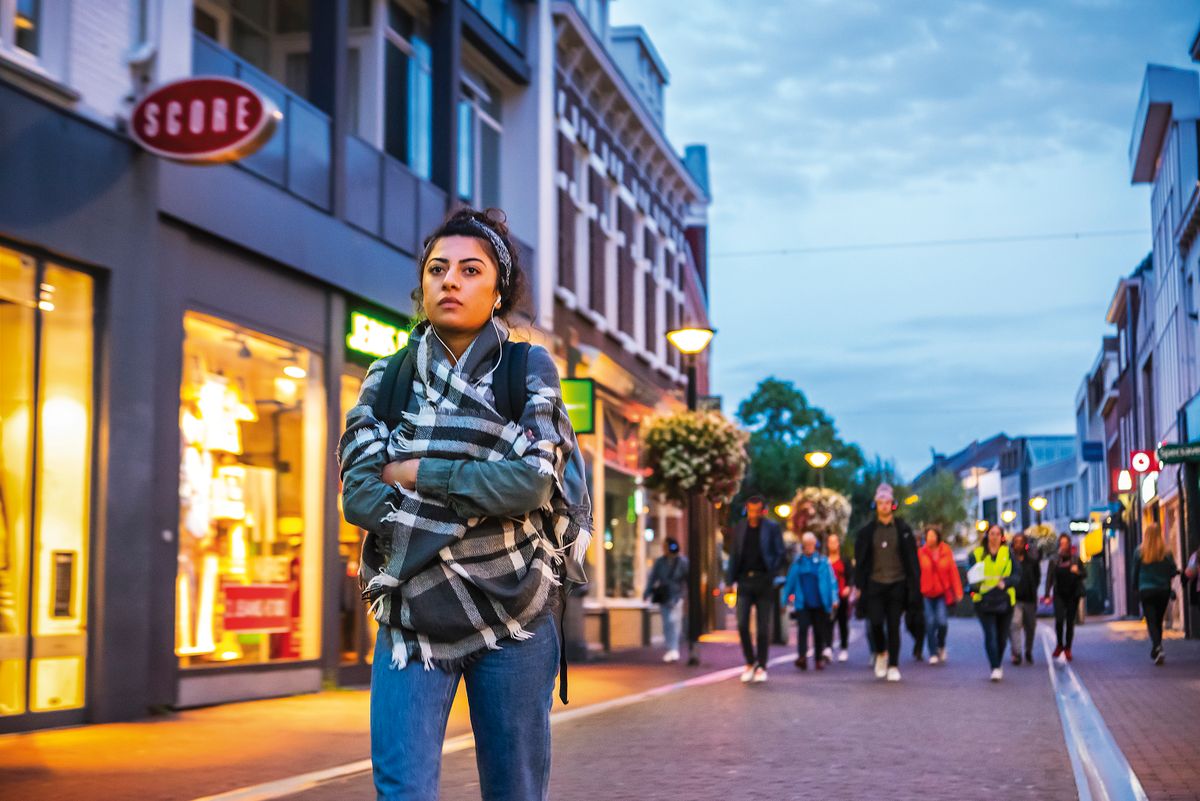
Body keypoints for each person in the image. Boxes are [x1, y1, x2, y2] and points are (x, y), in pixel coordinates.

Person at [339, 208, 592, 801]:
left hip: (516, 615)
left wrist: (419, 469)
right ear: (422, 284)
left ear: (498, 288)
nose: (449, 281)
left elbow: (532, 482)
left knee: (514, 791)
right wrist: (485, 467)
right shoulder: (388, 375)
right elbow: (360, 493)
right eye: (437, 269)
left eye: (469, 269)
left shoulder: (529, 368)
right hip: (409, 617)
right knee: (401, 792)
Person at [853, 483, 920, 682]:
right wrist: (858, 585)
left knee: (893, 625)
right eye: (880, 502)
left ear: (893, 504)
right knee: (874, 622)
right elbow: (861, 560)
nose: (883, 506)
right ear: (875, 505)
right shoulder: (867, 532)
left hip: (897, 583)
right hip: (874, 583)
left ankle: (893, 665)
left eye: (887, 502)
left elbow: (912, 559)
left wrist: (914, 586)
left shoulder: (903, 529)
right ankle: (881, 653)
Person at [726, 495, 786, 684]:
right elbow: (734, 556)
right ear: (747, 508)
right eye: (751, 510)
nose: (753, 514)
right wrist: (729, 581)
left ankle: (762, 665)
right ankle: (750, 662)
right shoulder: (740, 528)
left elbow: (780, 553)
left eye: (757, 511)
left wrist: (772, 574)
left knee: (762, 628)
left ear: (762, 510)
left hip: (764, 582)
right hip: (744, 581)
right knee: (742, 624)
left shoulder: (772, 528)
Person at [783, 533, 838, 670]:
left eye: (811, 544)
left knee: (819, 631)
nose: (808, 547)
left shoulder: (823, 562)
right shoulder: (798, 562)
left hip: (820, 602)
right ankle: (802, 656)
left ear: (816, 545)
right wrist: (783, 601)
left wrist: (834, 599)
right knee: (802, 629)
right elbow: (790, 582)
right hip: (803, 603)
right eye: (806, 544)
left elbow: (831, 582)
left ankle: (818, 658)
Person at [968, 525, 1014, 681]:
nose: (994, 537)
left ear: (1002, 536)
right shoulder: (976, 554)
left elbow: (1017, 574)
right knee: (991, 634)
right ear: (987, 536)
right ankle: (995, 666)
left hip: (1005, 600)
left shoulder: (1008, 553)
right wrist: (975, 588)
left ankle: (998, 662)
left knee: (1002, 637)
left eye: (997, 534)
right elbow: (971, 577)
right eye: (991, 534)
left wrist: (1006, 582)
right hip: (984, 600)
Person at [1133, 523, 1179, 665]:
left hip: (1146, 590)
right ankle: (1158, 647)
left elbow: (1135, 572)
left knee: (1151, 621)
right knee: (1158, 620)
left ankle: (1157, 647)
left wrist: (1135, 587)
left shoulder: (1139, 552)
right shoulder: (1166, 552)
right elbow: (1173, 570)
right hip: (1162, 590)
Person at [917, 526, 962, 665]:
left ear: (938, 536)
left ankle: (941, 645)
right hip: (926, 592)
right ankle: (932, 652)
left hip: (942, 592)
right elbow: (916, 573)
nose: (930, 538)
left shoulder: (946, 551)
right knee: (930, 622)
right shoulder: (920, 552)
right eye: (928, 535)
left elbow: (953, 571)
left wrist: (958, 591)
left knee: (942, 622)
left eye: (933, 535)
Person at [1042, 533, 1086, 662]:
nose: (1063, 546)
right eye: (1061, 543)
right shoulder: (1054, 560)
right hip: (1059, 594)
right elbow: (1049, 578)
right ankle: (1059, 645)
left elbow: (1084, 574)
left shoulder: (1075, 559)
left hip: (1073, 594)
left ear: (1069, 544)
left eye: (1065, 543)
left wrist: (1077, 571)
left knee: (1070, 621)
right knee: (1059, 620)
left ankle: (1068, 648)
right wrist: (1047, 594)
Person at [644, 538, 689, 663]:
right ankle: (671, 648)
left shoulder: (682, 562)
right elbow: (652, 578)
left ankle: (674, 648)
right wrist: (647, 592)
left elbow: (687, 579)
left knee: (674, 622)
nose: (664, 550)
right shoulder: (660, 562)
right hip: (664, 596)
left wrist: (687, 595)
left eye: (665, 547)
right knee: (667, 623)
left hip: (677, 596)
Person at [1008, 533, 1041, 666]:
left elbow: (1037, 577)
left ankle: (1028, 650)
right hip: (1014, 598)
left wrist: (1032, 588)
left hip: (1029, 598)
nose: (1018, 545)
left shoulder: (1031, 561)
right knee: (1015, 624)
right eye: (1016, 542)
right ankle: (1017, 652)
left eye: (1021, 542)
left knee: (1030, 627)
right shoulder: (1009, 561)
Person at [825, 533, 854, 662]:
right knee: (828, 623)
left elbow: (851, 576)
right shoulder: (824, 561)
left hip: (841, 596)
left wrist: (849, 587)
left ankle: (844, 648)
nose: (833, 544)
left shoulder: (844, 560)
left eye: (835, 541)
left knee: (842, 623)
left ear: (838, 544)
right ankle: (828, 648)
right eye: (830, 542)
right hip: (828, 598)